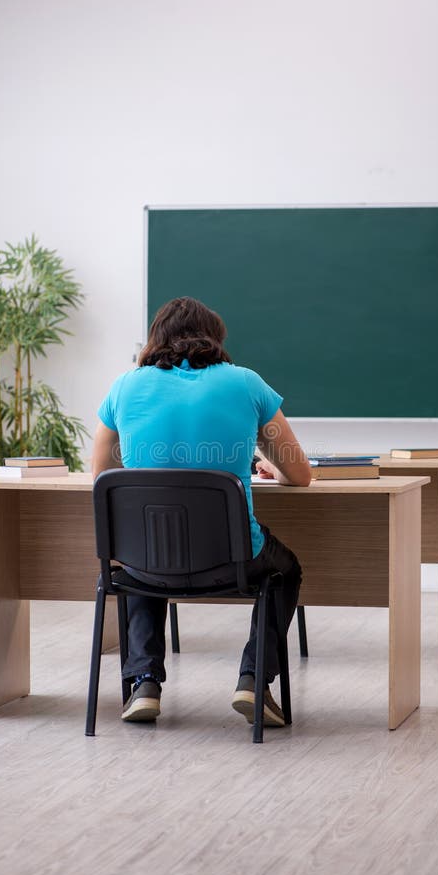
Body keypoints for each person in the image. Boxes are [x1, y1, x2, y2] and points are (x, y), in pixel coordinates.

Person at [92, 297, 311, 728]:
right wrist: (273, 468)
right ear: (214, 339)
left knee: (141, 553)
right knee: (285, 571)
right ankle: (253, 680)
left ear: (156, 338)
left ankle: (144, 683)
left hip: (151, 565)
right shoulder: (246, 383)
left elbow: (102, 478)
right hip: (231, 561)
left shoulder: (124, 386)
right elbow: (300, 474)